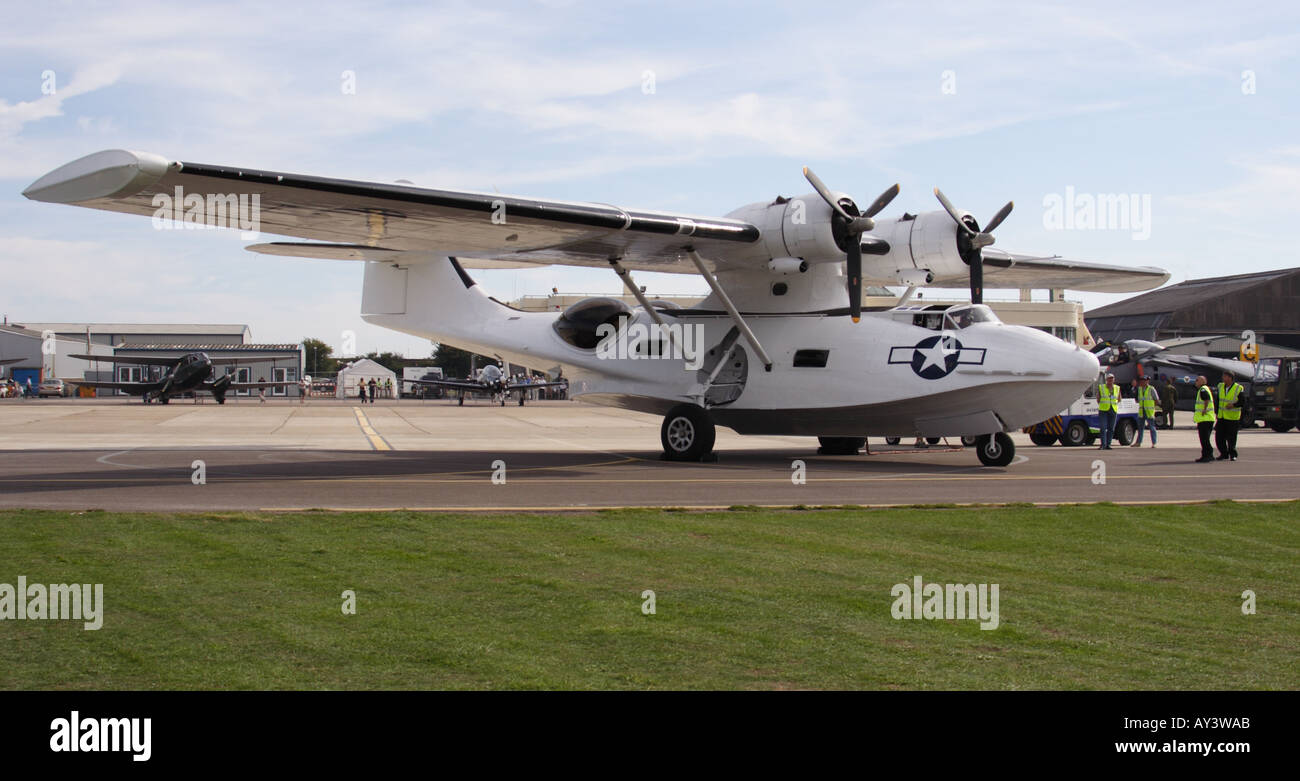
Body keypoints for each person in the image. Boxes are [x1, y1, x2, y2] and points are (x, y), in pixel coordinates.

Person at [1215, 370, 1244, 461]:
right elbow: (1218, 400)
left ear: (1230, 378)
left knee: (1231, 438)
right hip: (1222, 416)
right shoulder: (1220, 386)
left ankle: (1233, 454)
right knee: (1219, 437)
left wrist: (1233, 405)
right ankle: (1224, 453)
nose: (1223, 378)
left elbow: (1242, 402)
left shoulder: (1238, 388)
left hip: (1232, 417)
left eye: (1224, 376)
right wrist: (1216, 412)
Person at [1193, 375, 1217, 463]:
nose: (1195, 382)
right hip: (1205, 419)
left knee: (1204, 439)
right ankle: (1205, 455)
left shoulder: (1203, 389)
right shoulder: (1203, 389)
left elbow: (1206, 399)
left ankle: (1209, 455)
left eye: (1197, 380)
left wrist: (1204, 409)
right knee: (1204, 439)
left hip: (1205, 419)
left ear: (1202, 381)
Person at [1131, 375, 1160, 447]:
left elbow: (1156, 400)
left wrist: (1153, 407)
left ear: (1147, 381)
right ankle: (1138, 442)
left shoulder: (1151, 389)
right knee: (1140, 428)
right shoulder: (1140, 389)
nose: (1142, 382)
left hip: (1149, 411)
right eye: (1142, 380)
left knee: (1152, 427)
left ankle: (1154, 443)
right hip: (1142, 411)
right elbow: (1138, 399)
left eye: (1144, 380)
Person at [1097, 373, 1119, 450]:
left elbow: (1119, 398)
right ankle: (1103, 444)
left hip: (1113, 409)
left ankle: (1108, 444)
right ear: (1106, 380)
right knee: (1103, 427)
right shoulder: (1102, 387)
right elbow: (1098, 399)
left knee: (1111, 428)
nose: (1111, 380)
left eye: (1112, 378)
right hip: (1103, 410)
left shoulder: (1117, 388)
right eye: (1109, 378)